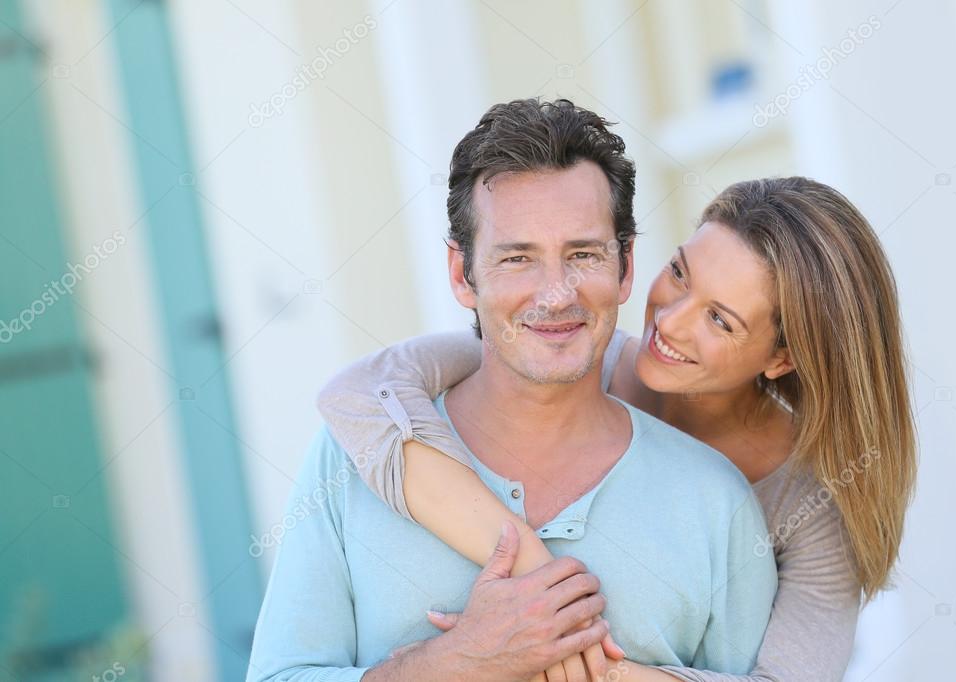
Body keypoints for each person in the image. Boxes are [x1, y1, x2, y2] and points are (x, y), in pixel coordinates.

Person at [247, 98, 777, 682]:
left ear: (625, 266)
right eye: (517, 258)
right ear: (462, 274)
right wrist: (456, 663)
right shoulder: (354, 461)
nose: (555, 295)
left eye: (583, 254)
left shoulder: (715, 502)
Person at [318, 169, 918, 679]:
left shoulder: (816, 506)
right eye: (681, 273)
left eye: (720, 319)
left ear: (782, 358)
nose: (672, 321)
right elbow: (359, 393)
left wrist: (584, 657)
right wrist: (533, 571)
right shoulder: (574, 363)